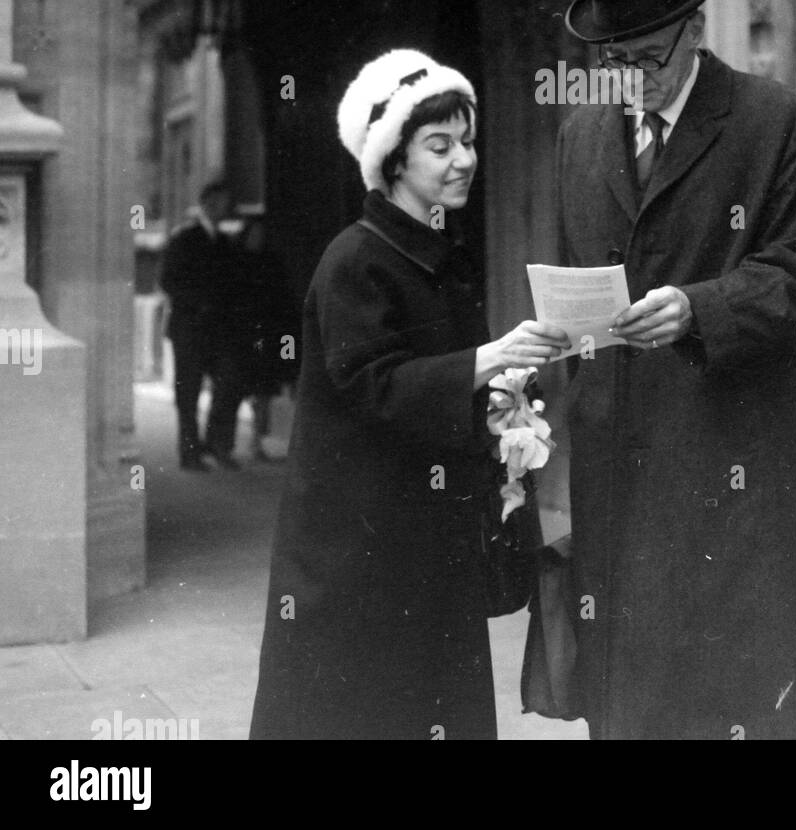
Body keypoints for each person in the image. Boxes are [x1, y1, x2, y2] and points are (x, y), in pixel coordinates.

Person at [556, 0, 796, 740]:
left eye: (646, 58)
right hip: (616, 468)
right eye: (614, 61)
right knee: (631, 706)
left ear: (695, 30)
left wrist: (698, 309)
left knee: (735, 699)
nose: (630, 80)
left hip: (730, 463)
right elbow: (575, 265)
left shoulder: (779, 121)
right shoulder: (579, 136)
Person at [249, 49, 568, 740]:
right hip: (358, 557)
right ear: (393, 159)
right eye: (439, 145)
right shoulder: (355, 260)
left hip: (422, 546)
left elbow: (434, 388)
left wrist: (503, 398)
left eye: (467, 140)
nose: (462, 159)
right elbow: (374, 384)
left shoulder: (436, 256)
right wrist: (488, 360)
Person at [159, 178, 244, 472]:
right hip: (190, 327)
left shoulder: (224, 243)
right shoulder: (184, 238)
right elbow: (168, 280)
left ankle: (217, 444)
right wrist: (198, 303)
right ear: (208, 203)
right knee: (188, 392)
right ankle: (190, 451)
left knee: (228, 384)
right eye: (221, 203)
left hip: (218, 330)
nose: (226, 208)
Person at [230, 214, 298, 463]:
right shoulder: (236, 262)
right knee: (239, 390)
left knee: (263, 393)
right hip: (244, 336)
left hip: (266, 334)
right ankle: (229, 442)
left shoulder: (271, 263)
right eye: (254, 234)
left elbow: (283, 299)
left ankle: (256, 441)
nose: (257, 239)